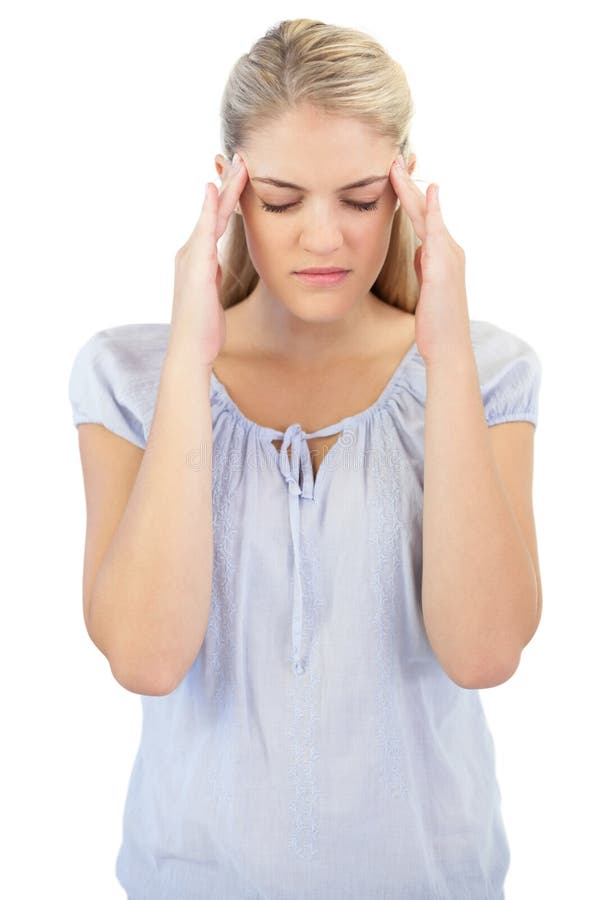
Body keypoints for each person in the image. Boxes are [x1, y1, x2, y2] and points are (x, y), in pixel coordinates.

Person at [68, 17, 543, 900]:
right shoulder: (126, 376)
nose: (323, 239)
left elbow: (482, 652)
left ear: (406, 188)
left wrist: (446, 357)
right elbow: (145, 657)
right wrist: (189, 356)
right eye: (282, 200)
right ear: (230, 193)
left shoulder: (491, 372)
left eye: (360, 198)